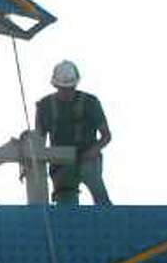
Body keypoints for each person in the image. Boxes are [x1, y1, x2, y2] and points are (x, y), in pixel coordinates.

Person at [34, 60, 112, 207]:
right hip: (60, 161)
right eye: (63, 88)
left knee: (98, 193)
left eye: (70, 88)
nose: (66, 92)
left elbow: (106, 135)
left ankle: (111, 220)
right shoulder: (45, 105)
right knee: (66, 205)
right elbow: (39, 139)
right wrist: (33, 162)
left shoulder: (90, 102)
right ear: (56, 85)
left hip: (87, 157)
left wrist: (92, 152)